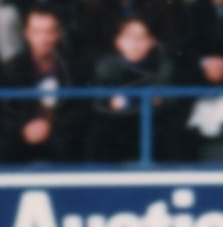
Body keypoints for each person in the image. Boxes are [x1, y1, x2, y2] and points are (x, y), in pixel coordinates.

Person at [76, 17, 181, 163]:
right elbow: (99, 102)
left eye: (141, 38)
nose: (135, 44)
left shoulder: (163, 66)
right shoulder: (106, 66)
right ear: (118, 41)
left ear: (151, 42)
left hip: (152, 133)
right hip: (116, 135)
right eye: (129, 37)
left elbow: (166, 100)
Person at [0, 7, 80, 165]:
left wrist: (51, 125)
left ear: (58, 34)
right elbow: (4, 111)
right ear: (27, 34)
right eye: (37, 32)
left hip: (61, 134)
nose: (44, 38)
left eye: (49, 32)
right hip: (21, 136)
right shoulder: (11, 68)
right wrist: (24, 128)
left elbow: (79, 110)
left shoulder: (74, 67)